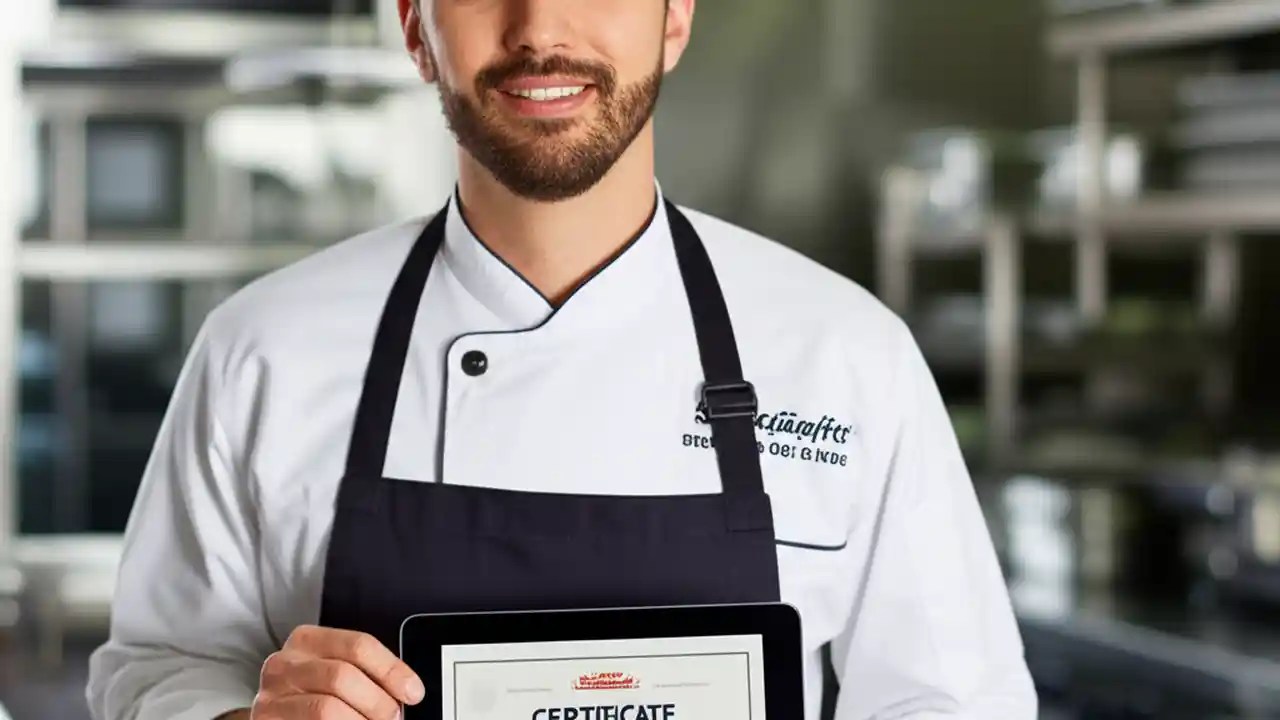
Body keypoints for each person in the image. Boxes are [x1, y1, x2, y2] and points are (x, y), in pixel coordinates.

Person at [86, 0, 1037, 718]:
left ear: (674, 18)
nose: (540, 26)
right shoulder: (264, 350)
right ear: (416, 28)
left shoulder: (848, 354)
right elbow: (154, 666)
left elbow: (955, 704)